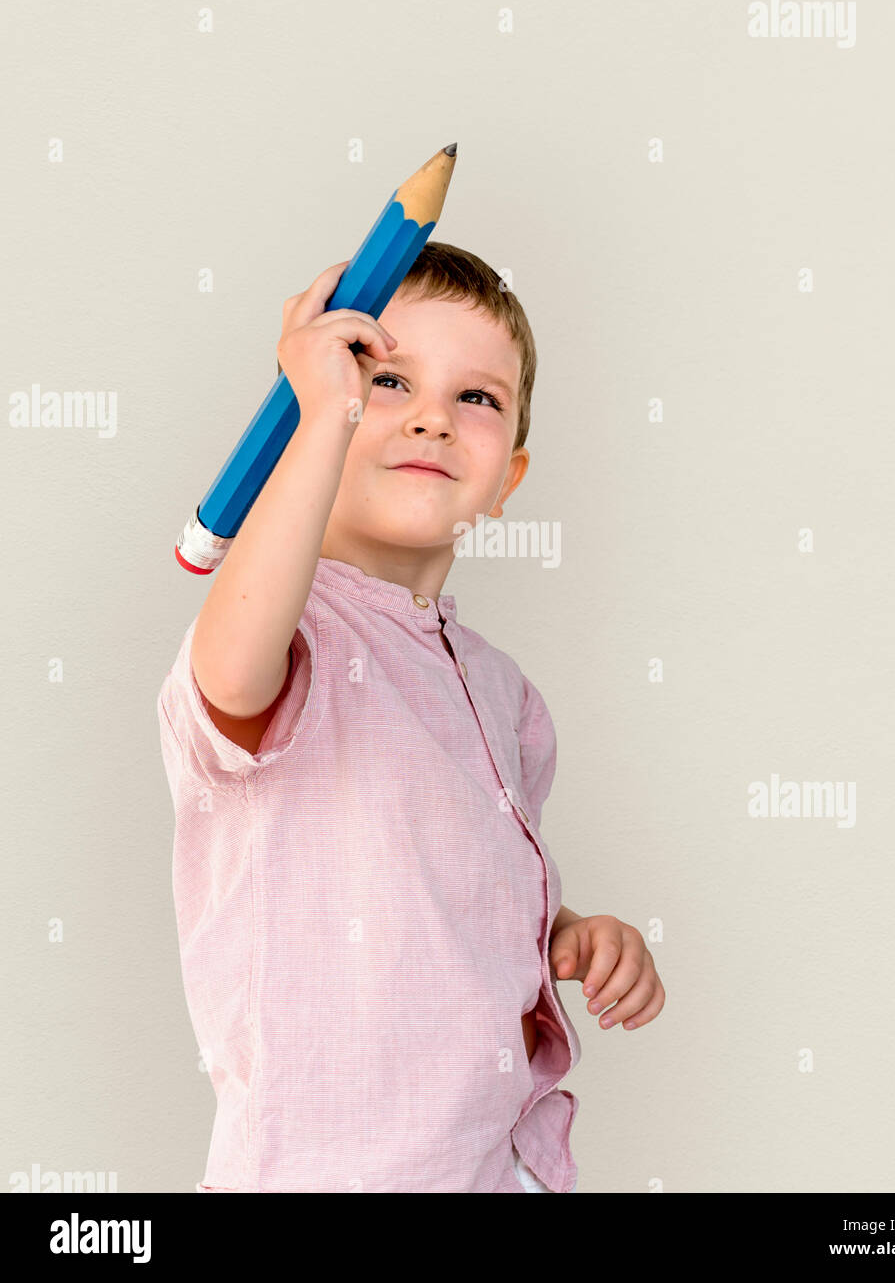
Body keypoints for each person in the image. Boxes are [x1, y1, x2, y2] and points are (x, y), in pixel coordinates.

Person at [157, 241, 666, 1192]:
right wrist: (319, 416)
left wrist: (567, 933)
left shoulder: (501, 690)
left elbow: (461, 900)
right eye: (386, 380)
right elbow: (231, 669)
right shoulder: (284, 626)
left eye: (477, 398)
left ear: (507, 478)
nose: (433, 417)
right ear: (308, 419)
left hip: (493, 1167)